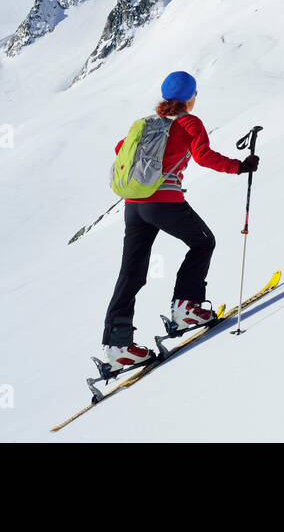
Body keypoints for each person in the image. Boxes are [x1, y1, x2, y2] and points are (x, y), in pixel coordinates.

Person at [101, 71, 259, 367]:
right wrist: (241, 166)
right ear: (190, 97)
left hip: (134, 205)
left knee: (131, 272)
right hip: (163, 201)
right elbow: (203, 156)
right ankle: (186, 307)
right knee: (203, 242)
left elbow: (120, 149)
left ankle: (117, 345)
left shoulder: (148, 123)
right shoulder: (190, 122)